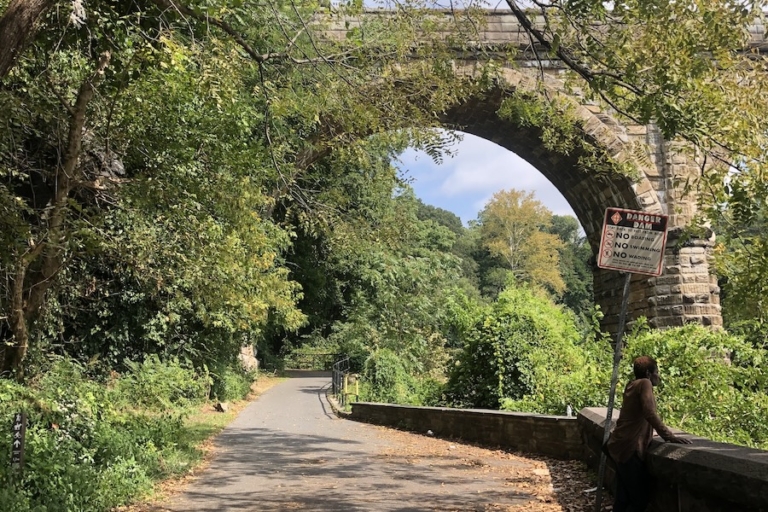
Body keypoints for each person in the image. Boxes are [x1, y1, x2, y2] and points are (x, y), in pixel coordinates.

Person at [606, 356, 692, 512]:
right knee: (639, 500)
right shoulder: (645, 384)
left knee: (623, 497)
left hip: (618, 443)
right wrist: (668, 436)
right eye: (657, 372)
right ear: (648, 373)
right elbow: (649, 413)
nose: (658, 376)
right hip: (629, 448)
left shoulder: (631, 385)